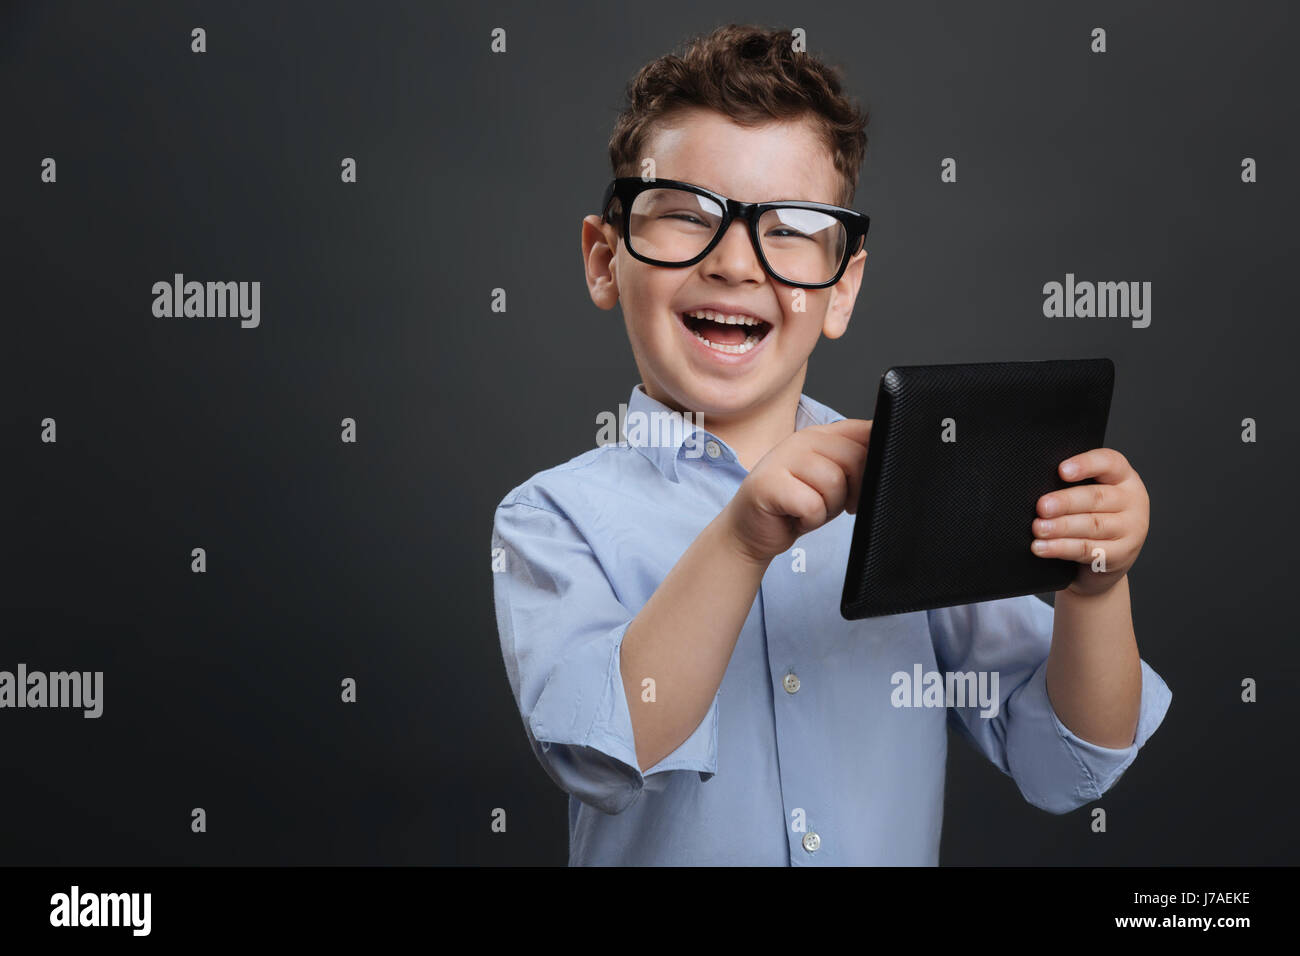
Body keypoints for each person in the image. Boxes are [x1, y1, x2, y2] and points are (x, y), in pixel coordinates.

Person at [491, 23, 1171, 865]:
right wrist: (741, 542)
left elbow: (1068, 762)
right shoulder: (551, 517)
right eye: (683, 217)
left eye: (790, 229)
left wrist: (1094, 594)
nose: (738, 263)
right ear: (605, 258)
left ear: (842, 286)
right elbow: (602, 750)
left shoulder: (916, 484)